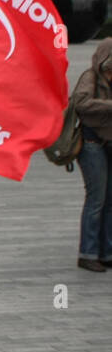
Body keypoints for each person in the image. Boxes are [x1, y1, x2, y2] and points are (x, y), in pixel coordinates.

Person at [72, 38, 112, 272]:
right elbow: (81, 102)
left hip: (109, 145)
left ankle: (107, 251)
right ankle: (87, 253)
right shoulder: (91, 77)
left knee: (110, 201)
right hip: (92, 145)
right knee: (96, 200)